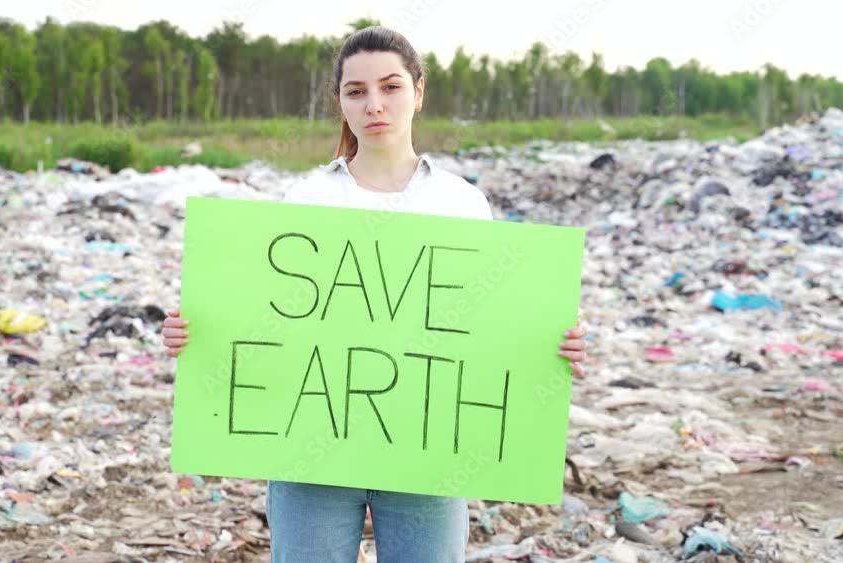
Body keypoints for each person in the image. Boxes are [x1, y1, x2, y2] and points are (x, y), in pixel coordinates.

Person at [161, 26, 589, 563]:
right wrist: (195, 335)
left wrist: (555, 344)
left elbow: (490, 326)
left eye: (390, 87)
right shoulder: (309, 198)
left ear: (419, 91)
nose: (374, 105)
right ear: (339, 101)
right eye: (356, 91)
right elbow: (266, 317)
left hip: (428, 452)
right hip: (310, 446)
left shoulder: (461, 203)